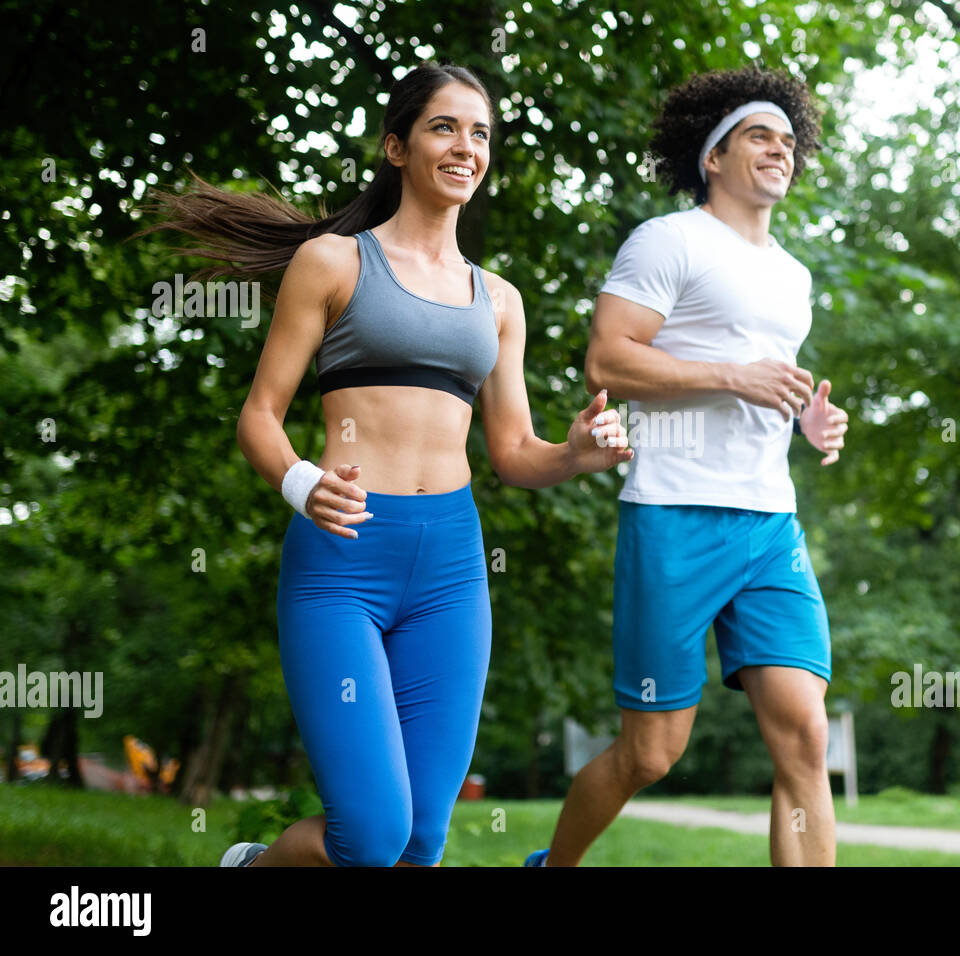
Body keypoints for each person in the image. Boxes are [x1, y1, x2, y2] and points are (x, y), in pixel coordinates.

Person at [139, 62, 631, 867]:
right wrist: (303, 484)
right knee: (370, 836)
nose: (465, 147)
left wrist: (575, 454)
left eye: (480, 133)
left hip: (449, 567)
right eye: (444, 127)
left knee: (421, 843)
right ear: (396, 147)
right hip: (343, 557)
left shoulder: (498, 299)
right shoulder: (333, 263)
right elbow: (259, 417)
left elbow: (511, 453)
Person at [525, 66, 849, 868]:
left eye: (787, 139)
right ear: (714, 156)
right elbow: (609, 360)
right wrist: (736, 378)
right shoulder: (668, 241)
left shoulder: (794, 276)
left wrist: (807, 418)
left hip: (770, 521)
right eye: (758, 136)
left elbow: (762, 378)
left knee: (806, 737)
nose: (780, 150)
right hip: (674, 512)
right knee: (650, 754)